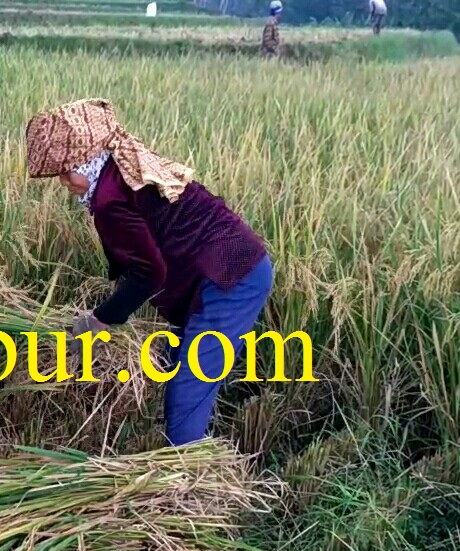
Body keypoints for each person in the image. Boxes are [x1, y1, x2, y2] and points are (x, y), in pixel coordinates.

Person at [24, 98, 274, 447]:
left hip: (231, 277)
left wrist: (99, 320)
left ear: (88, 158)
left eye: (67, 170)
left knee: (191, 379)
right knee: (179, 360)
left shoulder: (111, 197)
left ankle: (184, 474)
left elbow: (150, 274)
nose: (64, 181)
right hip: (224, 267)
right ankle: (186, 445)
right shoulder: (122, 167)